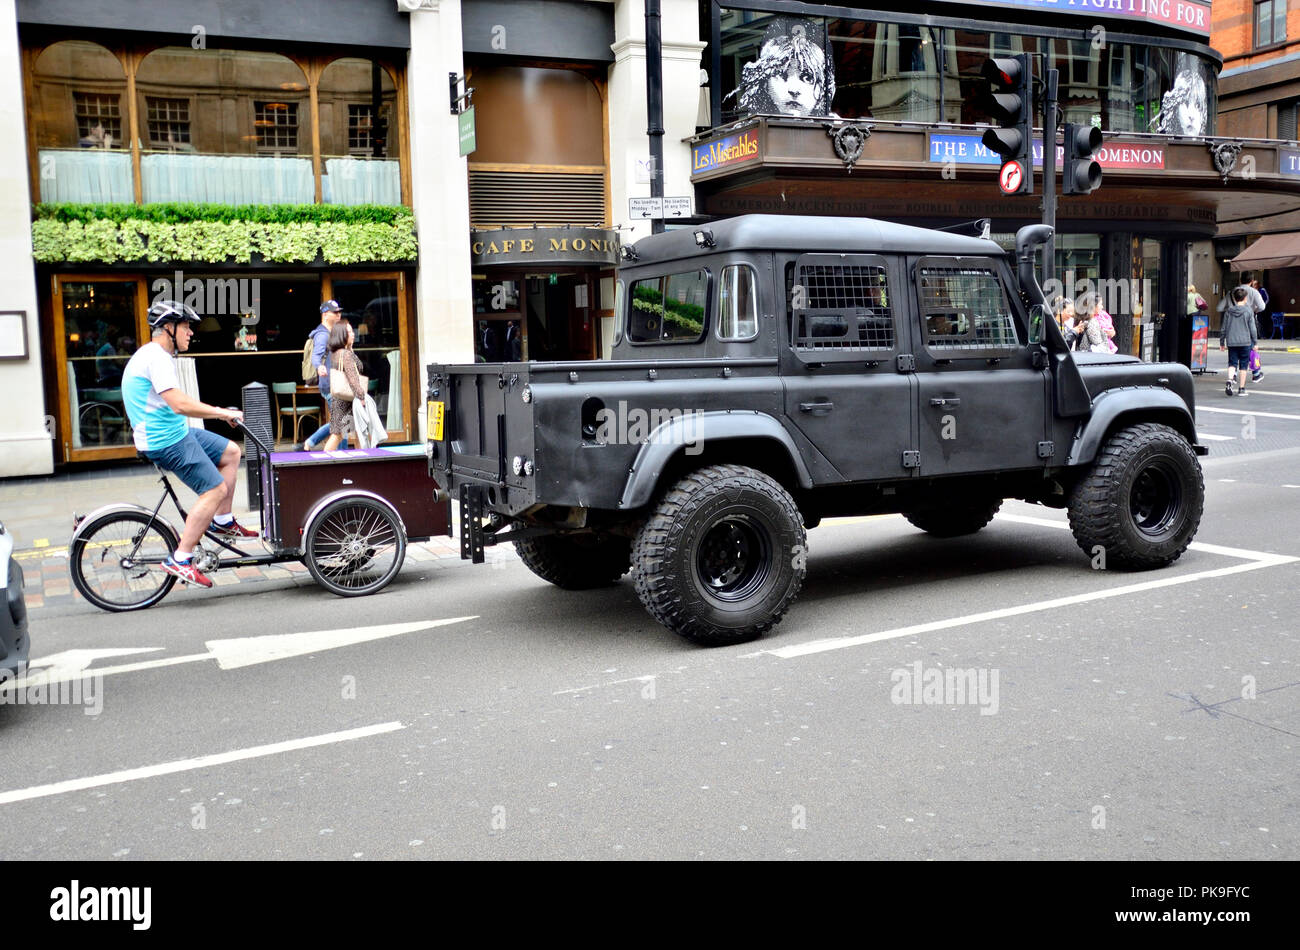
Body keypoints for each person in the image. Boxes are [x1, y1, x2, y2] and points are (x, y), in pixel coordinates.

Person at [120, 300, 254, 589]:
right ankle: (181, 558)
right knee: (214, 489)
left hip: (175, 432)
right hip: (165, 440)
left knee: (231, 452)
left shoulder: (156, 355)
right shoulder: (155, 358)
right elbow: (179, 404)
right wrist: (222, 412)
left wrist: (220, 412)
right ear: (168, 328)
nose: (191, 332)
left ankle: (223, 520)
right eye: (186, 326)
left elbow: (179, 406)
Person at [722, 18, 836, 118]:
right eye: (782, 74)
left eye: (807, 77)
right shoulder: (749, 134)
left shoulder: (836, 131)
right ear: (764, 82)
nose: (794, 89)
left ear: (824, 88)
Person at [301, 299, 341, 451]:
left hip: (336, 383)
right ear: (325, 314)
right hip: (331, 385)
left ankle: (312, 443)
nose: (339, 314)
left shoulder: (332, 332)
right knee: (340, 423)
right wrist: (319, 367)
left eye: (339, 311)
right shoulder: (323, 335)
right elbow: (316, 357)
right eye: (335, 312)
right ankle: (312, 442)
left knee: (341, 423)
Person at [323, 321, 364, 452]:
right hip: (346, 402)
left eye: (352, 331)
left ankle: (362, 460)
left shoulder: (339, 352)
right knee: (338, 436)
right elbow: (353, 378)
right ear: (342, 335)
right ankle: (323, 463)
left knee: (355, 434)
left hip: (342, 400)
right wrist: (361, 396)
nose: (353, 334)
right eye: (349, 332)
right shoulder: (345, 354)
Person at [1219, 286, 1258, 396]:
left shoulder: (1229, 311)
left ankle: (1230, 380)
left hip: (1231, 341)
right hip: (1245, 342)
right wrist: (1255, 342)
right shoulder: (1248, 311)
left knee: (1232, 363)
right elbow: (1253, 329)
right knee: (1244, 365)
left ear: (1235, 299)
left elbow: (1223, 328)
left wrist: (1222, 343)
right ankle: (1241, 389)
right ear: (1245, 298)